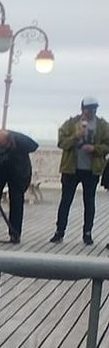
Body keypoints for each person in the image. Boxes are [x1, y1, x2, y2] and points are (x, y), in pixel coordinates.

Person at [52, 97, 106, 244]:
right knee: (65, 201)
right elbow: (62, 143)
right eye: (90, 109)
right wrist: (76, 136)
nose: (92, 112)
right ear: (83, 109)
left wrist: (95, 149)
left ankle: (87, 233)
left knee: (89, 202)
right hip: (71, 169)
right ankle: (59, 232)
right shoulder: (70, 123)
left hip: (91, 170)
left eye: (95, 109)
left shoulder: (102, 125)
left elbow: (107, 145)